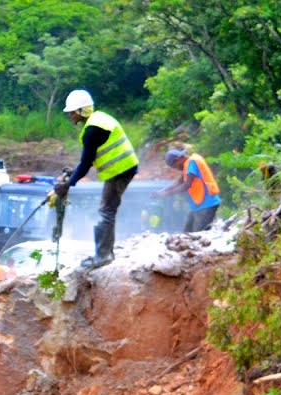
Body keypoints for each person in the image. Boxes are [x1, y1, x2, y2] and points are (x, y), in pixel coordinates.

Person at [54, 89, 138, 268]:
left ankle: (103, 256)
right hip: (124, 167)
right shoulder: (98, 119)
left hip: (120, 169)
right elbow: (88, 160)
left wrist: (68, 184)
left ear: (82, 111)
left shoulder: (92, 130)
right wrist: (74, 172)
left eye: (72, 112)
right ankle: (107, 252)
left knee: (106, 211)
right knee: (108, 210)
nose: (70, 115)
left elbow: (86, 164)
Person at [156, 148, 220, 232]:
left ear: (178, 159)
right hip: (199, 206)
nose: (176, 168)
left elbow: (187, 185)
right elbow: (179, 182)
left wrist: (167, 194)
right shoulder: (188, 165)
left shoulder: (192, 163)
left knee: (200, 235)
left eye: (175, 166)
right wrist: (162, 191)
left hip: (207, 204)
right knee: (187, 233)